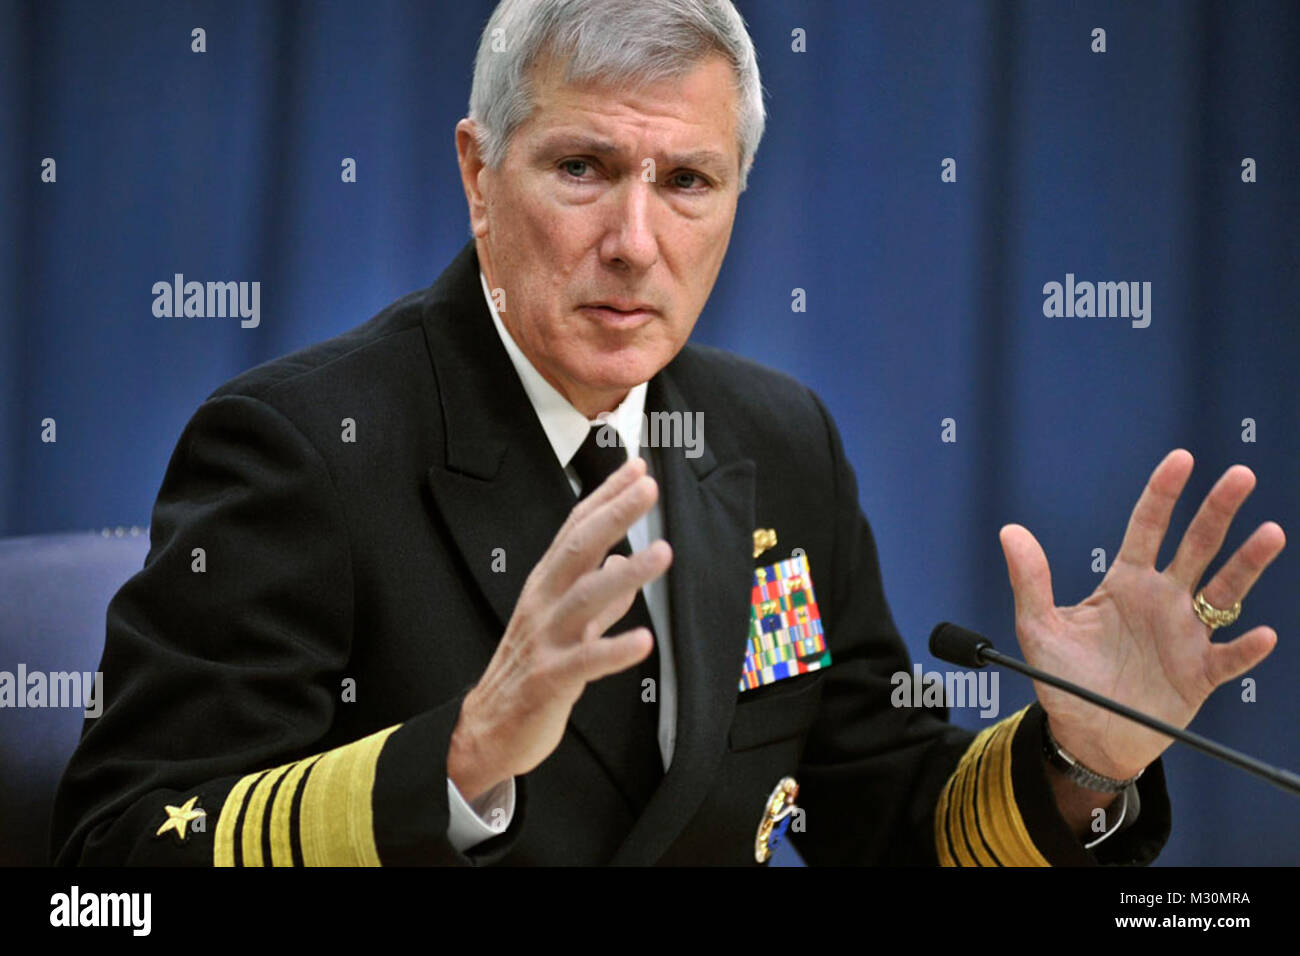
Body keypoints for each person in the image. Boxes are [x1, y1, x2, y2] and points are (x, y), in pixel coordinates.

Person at [51, 0, 1284, 866]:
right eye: (583, 168)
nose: (635, 241)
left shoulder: (776, 443)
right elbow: (112, 863)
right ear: (480, 175)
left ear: (736, 198)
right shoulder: (301, 446)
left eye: (687, 181)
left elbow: (876, 814)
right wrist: (459, 760)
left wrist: (1081, 763)